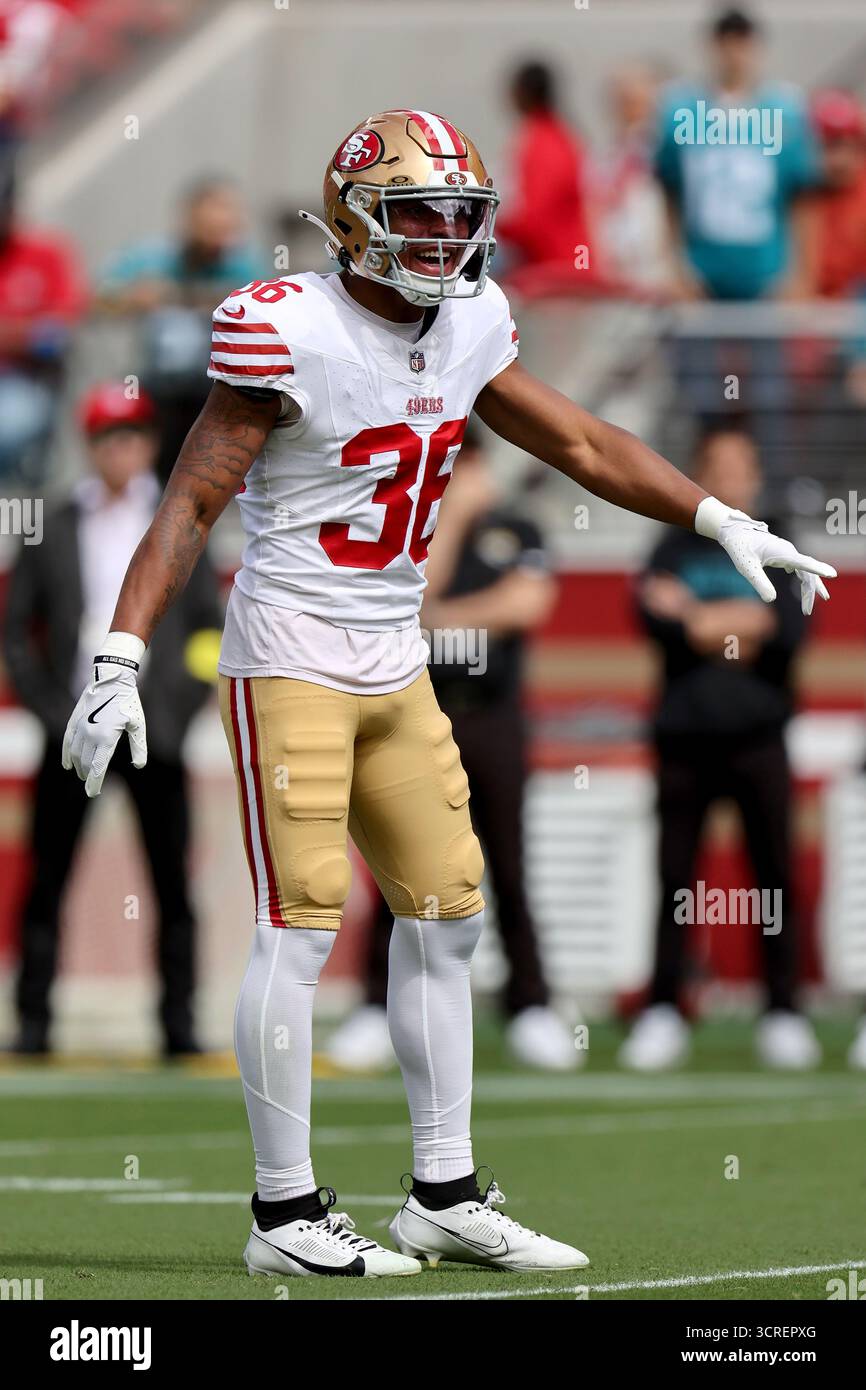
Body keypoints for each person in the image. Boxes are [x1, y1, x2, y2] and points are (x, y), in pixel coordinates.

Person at [61, 109, 833, 1279]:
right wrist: (119, 656)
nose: (441, 238)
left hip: (394, 658)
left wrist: (714, 515)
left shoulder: (470, 319)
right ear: (355, 220)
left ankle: (443, 1191)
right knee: (303, 917)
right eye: (418, 214)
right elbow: (190, 503)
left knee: (447, 910)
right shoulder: (289, 330)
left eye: (460, 217)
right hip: (290, 653)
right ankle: (283, 1210)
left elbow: (574, 440)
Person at [325, 426, 577, 1074]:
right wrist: (454, 521)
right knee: (396, 866)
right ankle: (377, 1008)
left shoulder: (517, 528)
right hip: (417, 711)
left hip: (492, 716)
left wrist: (453, 612)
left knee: (508, 865)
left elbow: (529, 603)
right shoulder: (411, 531)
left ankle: (530, 1006)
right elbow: (413, 606)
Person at [3, 382, 221, 1057]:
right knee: (47, 877)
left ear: (149, 443)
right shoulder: (58, 523)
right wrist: (53, 711)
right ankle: (34, 1022)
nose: (119, 449)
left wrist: (179, 713)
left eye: (129, 435)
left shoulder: (178, 519)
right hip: (75, 731)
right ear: (90, 445)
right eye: (106, 436)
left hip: (154, 730)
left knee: (170, 883)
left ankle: (178, 1024)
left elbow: (208, 631)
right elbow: (18, 632)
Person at [620, 429, 820, 1072]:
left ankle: (784, 1013)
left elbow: (788, 629)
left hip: (760, 738)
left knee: (773, 877)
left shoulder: (782, 546)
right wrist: (738, 620)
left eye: (740, 463)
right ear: (699, 473)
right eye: (716, 465)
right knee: (675, 877)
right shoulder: (671, 543)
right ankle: (663, 1010)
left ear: (756, 473)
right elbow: (653, 623)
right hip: (683, 739)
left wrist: (697, 617)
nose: (729, 474)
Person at [99, 177, 262, 478]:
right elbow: (101, 299)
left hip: (215, 386)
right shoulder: (152, 257)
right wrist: (134, 297)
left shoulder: (243, 264)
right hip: (156, 386)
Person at [655, 8, 818, 302]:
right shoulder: (682, 109)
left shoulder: (785, 111)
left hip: (767, 272)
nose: (733, 54)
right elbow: (669, 195)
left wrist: (801, 275)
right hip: (701, 272)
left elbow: (802, 200)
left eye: (741, 43)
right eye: (726, 43)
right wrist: (675, 268)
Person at [0, 151, 87, 480]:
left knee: (9, 425)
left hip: (25, 379)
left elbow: (56, 332)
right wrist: (22, 333)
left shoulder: (46, 252)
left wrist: (17, 337)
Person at [496, 61, 590, 279]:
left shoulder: (543, 142)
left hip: (557, 267)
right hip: (568, 261)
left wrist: (487, 223)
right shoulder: (560, 135)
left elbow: (535, 217)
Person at [807, 90, 866, 299]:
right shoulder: (797, 194)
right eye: (829, 145)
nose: (840, 159)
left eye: (851, 145)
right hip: (799, 312)